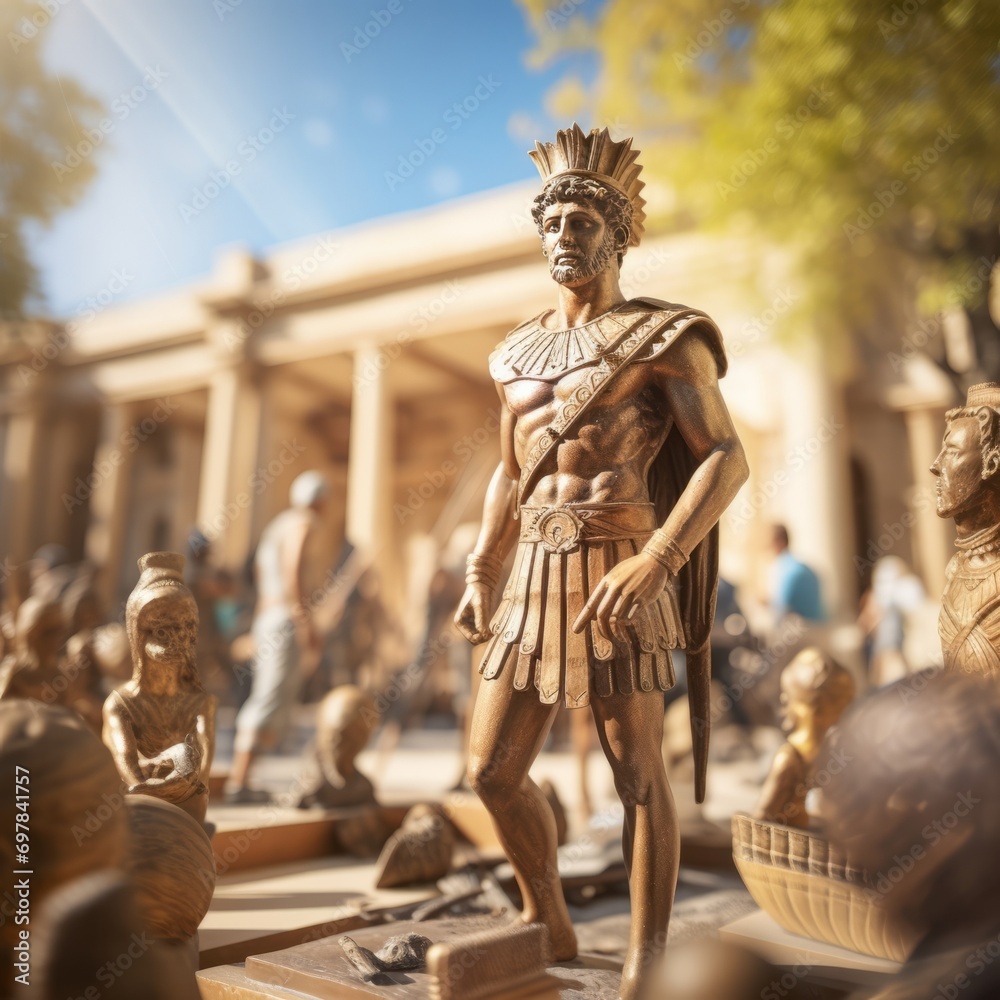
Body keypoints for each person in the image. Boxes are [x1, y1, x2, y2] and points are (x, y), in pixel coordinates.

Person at [454, 124, 748, 1000]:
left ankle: (646, 963)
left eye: (582, 220)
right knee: (491, 772)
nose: (563, 237)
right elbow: (510, 473)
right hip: (529, 581)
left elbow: (724, 458)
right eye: (552, 223)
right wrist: (480, 565)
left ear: (617, 236)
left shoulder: (665, 338)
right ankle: (548, 913)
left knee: (636, 777)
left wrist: (660, 558)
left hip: (623, 562)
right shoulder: (511, 354)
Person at [226, 470, 330, 803]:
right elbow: (293, 567)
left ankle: (242, 780)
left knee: (269, 695)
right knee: (270, 697)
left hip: (270, 618)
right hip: (285, 620)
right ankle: (239, 782)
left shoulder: (277, 525)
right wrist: (304, 620)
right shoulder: (302, 523)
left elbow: (261, 580)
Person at [769, 524, 825, 622]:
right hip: (818, 627)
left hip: (800, 631)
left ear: (778, 542)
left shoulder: (785, 570)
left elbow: (781, 611)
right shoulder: (805, 568)